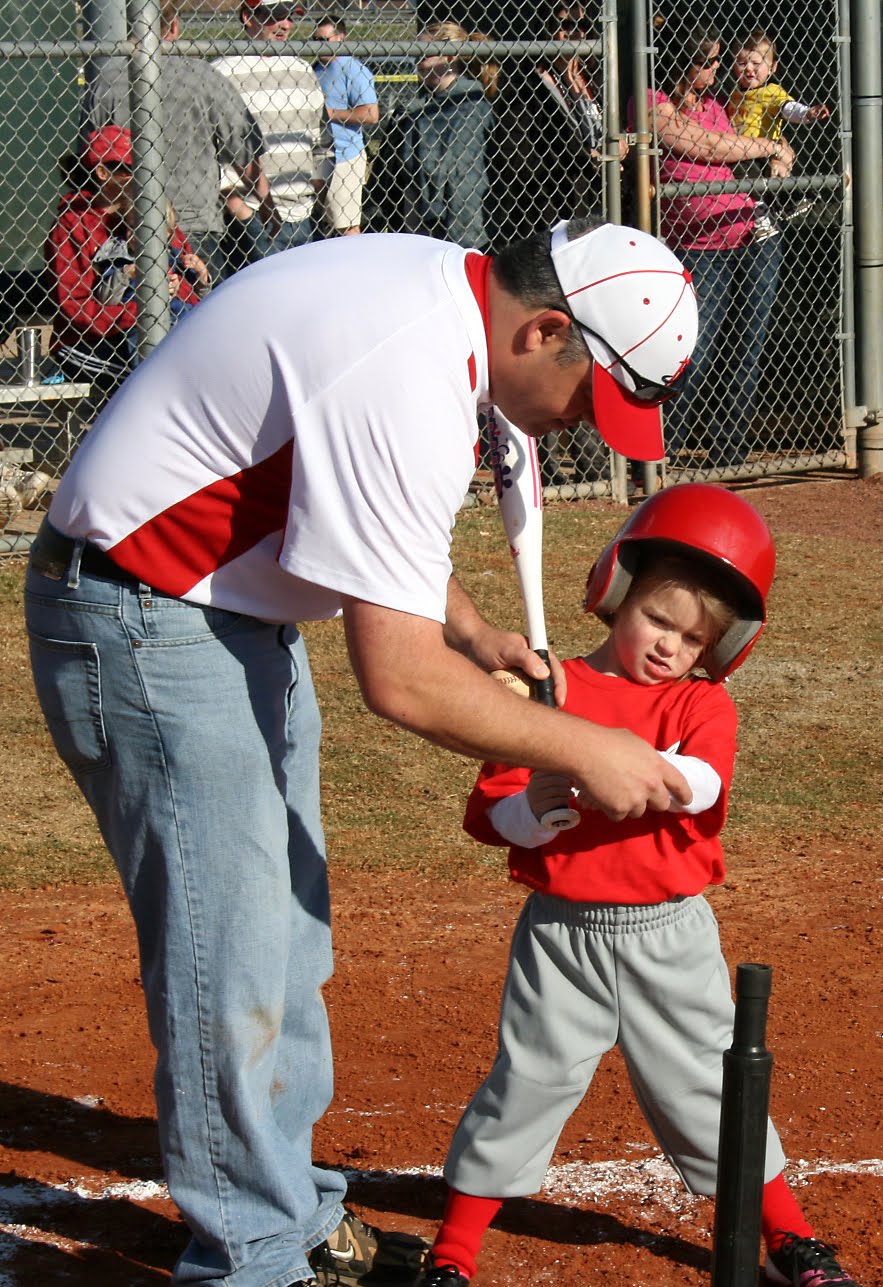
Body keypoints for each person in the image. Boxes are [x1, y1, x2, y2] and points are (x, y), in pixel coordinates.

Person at [24, 216, 698, 1287]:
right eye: (587, 398)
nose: (577, 428)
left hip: (217, 610)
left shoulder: (434, 299)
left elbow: (352, 501)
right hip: (144, 616)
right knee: (229, 955)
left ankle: (286, 1217)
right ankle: (252, 1259)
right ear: (543, 332)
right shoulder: (412, 369)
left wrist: (473, 630)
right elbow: (401, 680)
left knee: (286, 937)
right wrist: (590, 745)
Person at [415, 483, 863, 1287]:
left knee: (711, 1088)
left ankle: (787, 1236)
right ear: (616, 592)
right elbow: (487, 813)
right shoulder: (549, 693)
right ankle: (452, 1251)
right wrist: (532, 809)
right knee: (525, 1082)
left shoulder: (702, 705)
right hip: (560, 935)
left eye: (692, 638)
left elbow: (699, 781)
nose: (669, 646)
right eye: (658, 618)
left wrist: (610, 761)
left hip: (668, 934)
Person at [633, 24, 795, 469]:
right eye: (709, 62)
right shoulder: (650, 102)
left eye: (718, 60)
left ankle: (729, 451)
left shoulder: (717, 106)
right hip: (697, 244)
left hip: (749, 233)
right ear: (684, 62)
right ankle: (658, 451)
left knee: (747, 345)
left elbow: (736, 143)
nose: (717, 69)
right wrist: (763, 146)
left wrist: (780, 151)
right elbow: (704, 145)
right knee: (694, 351)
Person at [83, 0, 278, 281]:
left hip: (126, 226)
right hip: (195, 229)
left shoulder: (105, 84)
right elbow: (244, 154)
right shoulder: (203, 77)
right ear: (173, 27)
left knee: (134, 314)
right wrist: (266, 200)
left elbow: (90, 163)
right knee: (199, 317)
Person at [45, 127, 208, 411]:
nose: (142, 177)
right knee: (161, 377)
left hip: (165, 325)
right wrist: (144, 310)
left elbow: (186, 285)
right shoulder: (72, 223)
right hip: (91, 340)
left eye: (146, 168)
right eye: (131, 169)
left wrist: (188, 283)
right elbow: (76, 308)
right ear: (102, 174)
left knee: (193, 364)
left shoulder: (149, 212)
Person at [213, 0, 333, 271]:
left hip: (303, 212)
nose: (285, 24)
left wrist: (317, 193)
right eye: (274, 14)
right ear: (248, 17)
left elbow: (323, 142)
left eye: (289, 15)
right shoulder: (223, 71)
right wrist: (239, 209)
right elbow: (211, 150)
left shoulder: (303, 70)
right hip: (251, 213)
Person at [369, 21, 494, 249]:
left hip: (461, 226)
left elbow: (455, 173)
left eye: (424, 53)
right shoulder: (416, 109)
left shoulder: (471, 105)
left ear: (449, 57)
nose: (417, 60)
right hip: (418, 224)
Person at [727, 28, 829, 238]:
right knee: (749, 175)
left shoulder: (771, 91)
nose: (749, 69)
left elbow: (788, 108)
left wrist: (808, 113)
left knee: (763, 178)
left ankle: (778, 208)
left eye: (757, 64)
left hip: (764, 147)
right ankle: (786, 203)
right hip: (739, 149)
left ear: (772, 68)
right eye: (742, 63)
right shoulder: (732, 92)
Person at [312, 15, 379, 236]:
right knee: (323, 226)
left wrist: (330, 114)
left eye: (324, 39)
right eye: (314, 39)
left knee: (347, 226)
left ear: (341, 37)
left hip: (344, 156)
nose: (317, 45)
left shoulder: (353, 70)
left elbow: (371, 114)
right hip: (316, 155)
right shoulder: (315, 69)